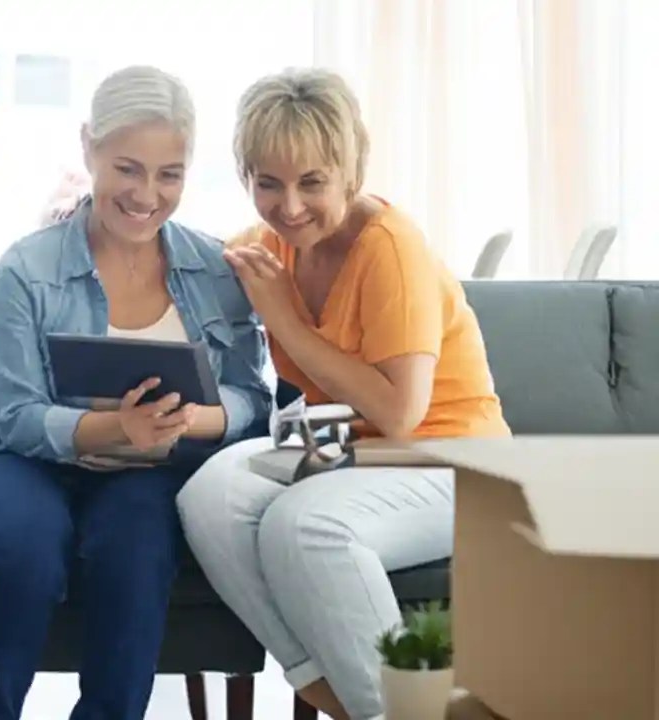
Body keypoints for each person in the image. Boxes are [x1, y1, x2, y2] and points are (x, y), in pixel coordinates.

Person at [175, 67, 511, 720]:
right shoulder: (274, 246)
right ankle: (336, 695)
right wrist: (99, 223)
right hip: (359, 457)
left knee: (308, 525)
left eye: (312, 183)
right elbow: (186, 259)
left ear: (348, 172)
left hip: (456, 460)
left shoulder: (390, 249)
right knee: (209, 496)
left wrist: (289, 323)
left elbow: (401, 414)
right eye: (267, 183)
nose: (289, 206)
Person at [0, 65, 272, 720]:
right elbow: (17, 418)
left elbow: (252, 399)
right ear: (89, 147)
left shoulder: (215, 270)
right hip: (16, 462)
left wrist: (194, 421)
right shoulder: (27, 268)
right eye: (127, 167)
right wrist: (115, 429)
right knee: (25, 553)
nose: (147, 194)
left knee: (136, 553)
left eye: (169, 174)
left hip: (149, 472)